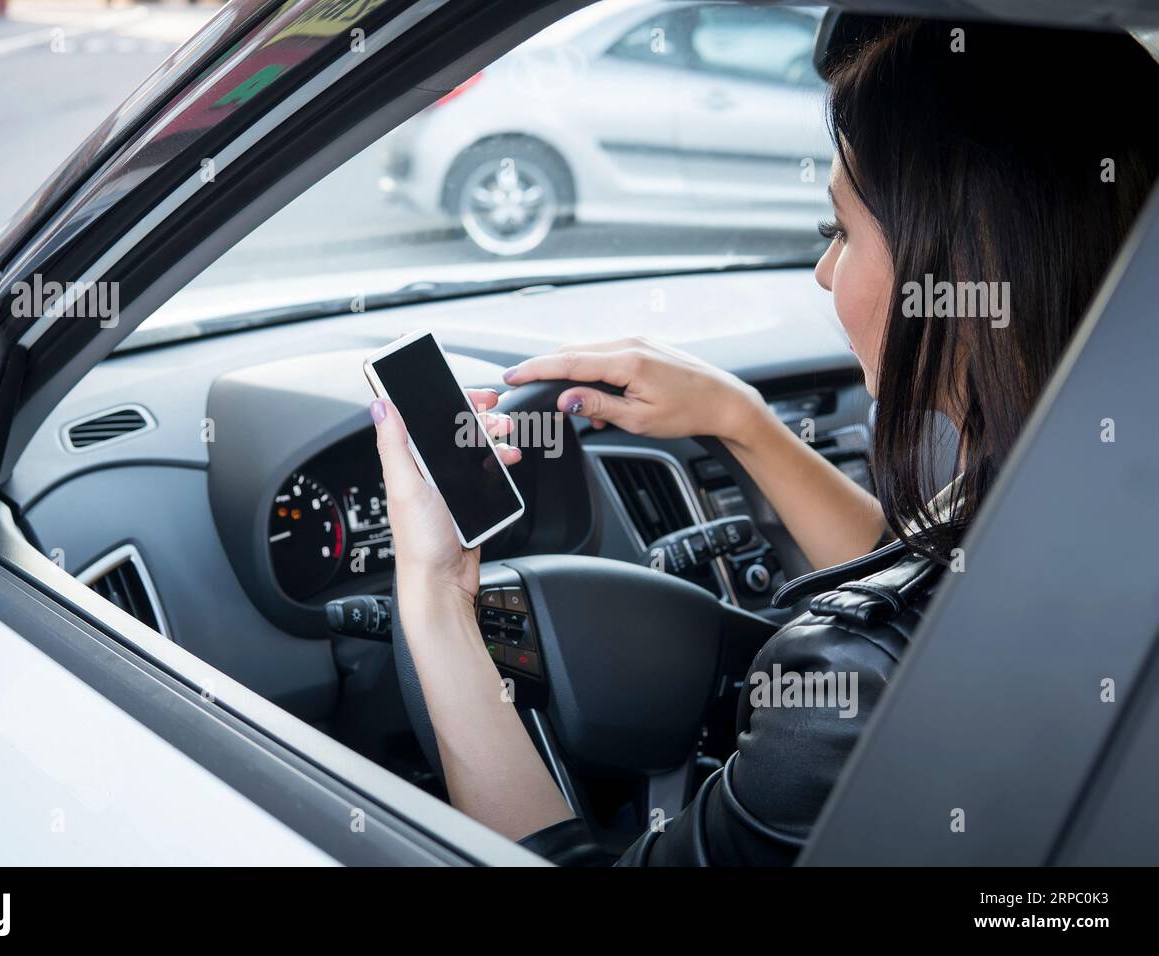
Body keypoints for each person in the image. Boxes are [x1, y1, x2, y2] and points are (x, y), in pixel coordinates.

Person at [368, 19, 1159, 865]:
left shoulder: (851, 690)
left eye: (842, 233)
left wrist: (438, 595)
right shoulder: (1099, 490)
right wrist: (739, 418)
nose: (824, 274)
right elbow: (952, 601)